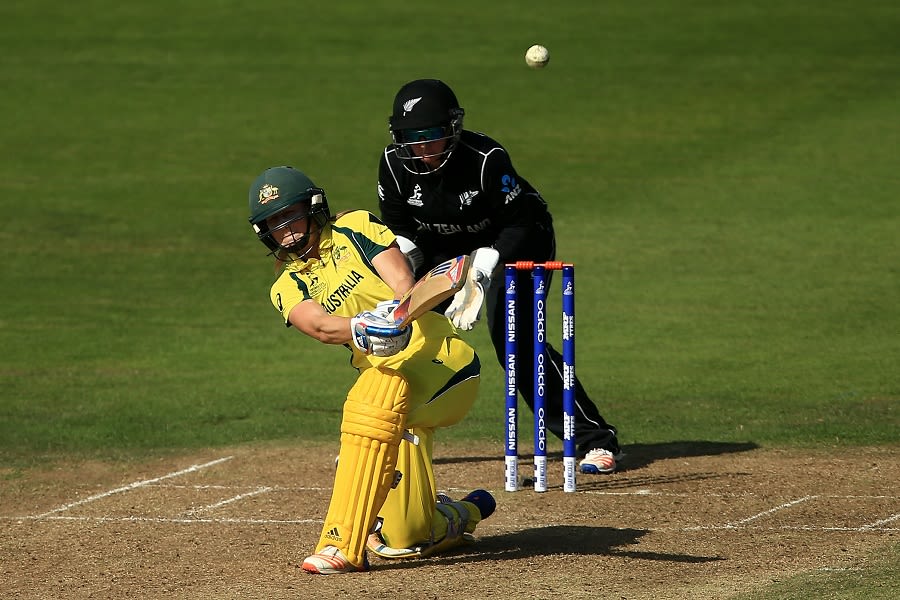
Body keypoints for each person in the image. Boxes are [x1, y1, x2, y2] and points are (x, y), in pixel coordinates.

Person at [248, 165, 496, 574]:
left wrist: (407, 309)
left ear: (313, 208)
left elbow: (403, 284)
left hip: (443, 362)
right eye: (274, 223)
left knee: (374, 394)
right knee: (404, 537)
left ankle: (340, 544)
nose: (285, 229)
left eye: (290, 214)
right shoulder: (285, 283)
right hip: (394, 404)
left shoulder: (354, 227)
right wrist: (360, 329)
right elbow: (321, 326)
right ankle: (459, 514)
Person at [377, 79, 623, 474]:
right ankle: (382, 436)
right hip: (445, 248)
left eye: (431, 139)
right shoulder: (393, 164)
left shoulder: (486, 159)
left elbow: (521, 224)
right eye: (411, 140)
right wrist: (409, 289)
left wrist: (483, 268)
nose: (421, 152)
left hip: (517, 242)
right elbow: (401, 232)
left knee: (517, 342)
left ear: (453, 130)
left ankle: (594, 439)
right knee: (403, 334)